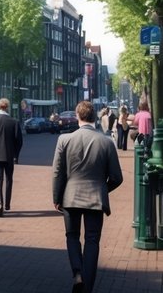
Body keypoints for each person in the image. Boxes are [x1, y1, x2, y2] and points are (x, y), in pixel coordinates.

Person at [53, 99, 124, 293]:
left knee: (72, 236)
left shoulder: (64, 140)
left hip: (70, 197)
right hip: (95, 198)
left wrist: (57, 197)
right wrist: (102, 189)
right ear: (94, 117)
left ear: (77, 116)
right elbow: (117, 177)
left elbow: (57, 172)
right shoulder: (107, 142)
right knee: (92, 241)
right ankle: (88, 286)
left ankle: (77, 273)